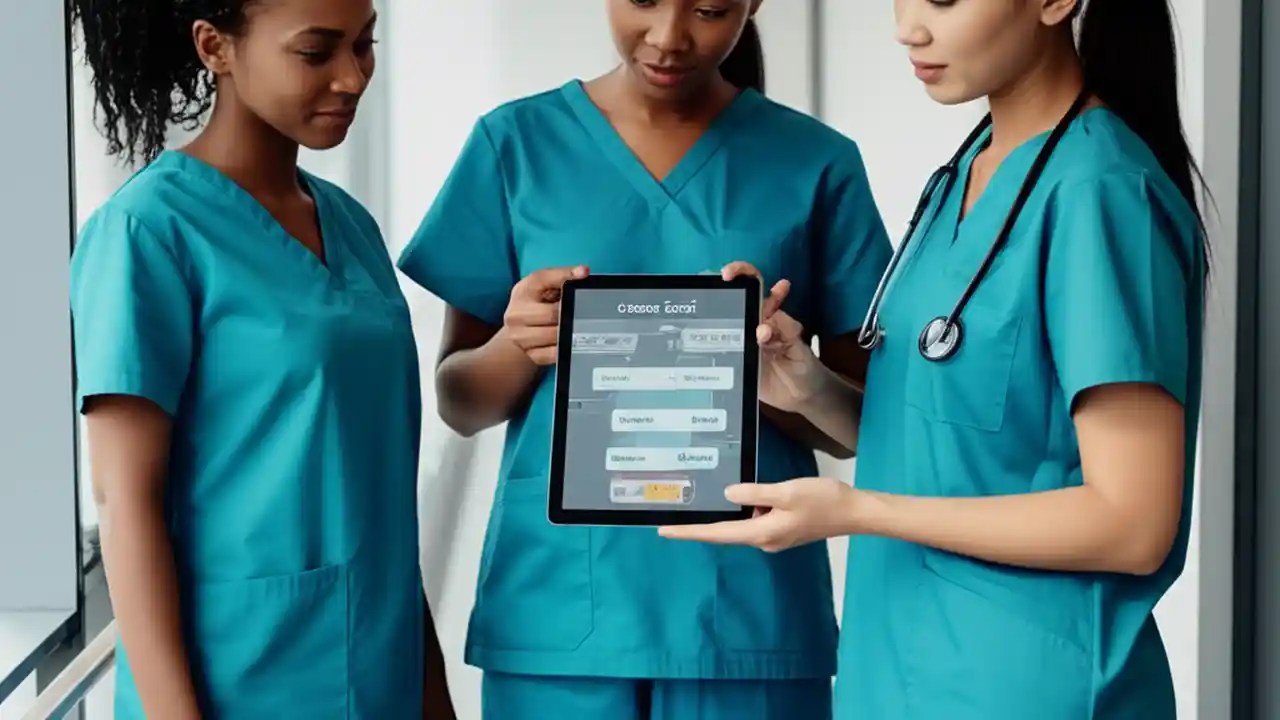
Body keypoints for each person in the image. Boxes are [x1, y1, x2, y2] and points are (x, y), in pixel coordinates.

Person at [662, 0, 1207, 717]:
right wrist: (805, 385)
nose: (908, 28)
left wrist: (861, 510)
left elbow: (1133, 524)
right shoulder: (965, 175)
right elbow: (951, 442)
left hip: (1028, 686)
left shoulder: (1101, 193)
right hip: (895, 671)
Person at [397, 0, 891, 717]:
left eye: (710, 10)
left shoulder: (816, 162)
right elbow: (459, 399)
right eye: (643, 1)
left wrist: (789, 379)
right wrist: (517, 345)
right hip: (561, 617)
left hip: (747, 615)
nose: (668, 37)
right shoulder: (516, 144)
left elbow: (864, 428)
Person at [69, 1, 453, 717]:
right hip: (239, 682)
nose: (351, 77)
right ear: (216, 47)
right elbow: (126, 506)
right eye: (316, 53)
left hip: (382, 671)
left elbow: (375, 492)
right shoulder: (147, 230)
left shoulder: (351, 225)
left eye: (364, 45)